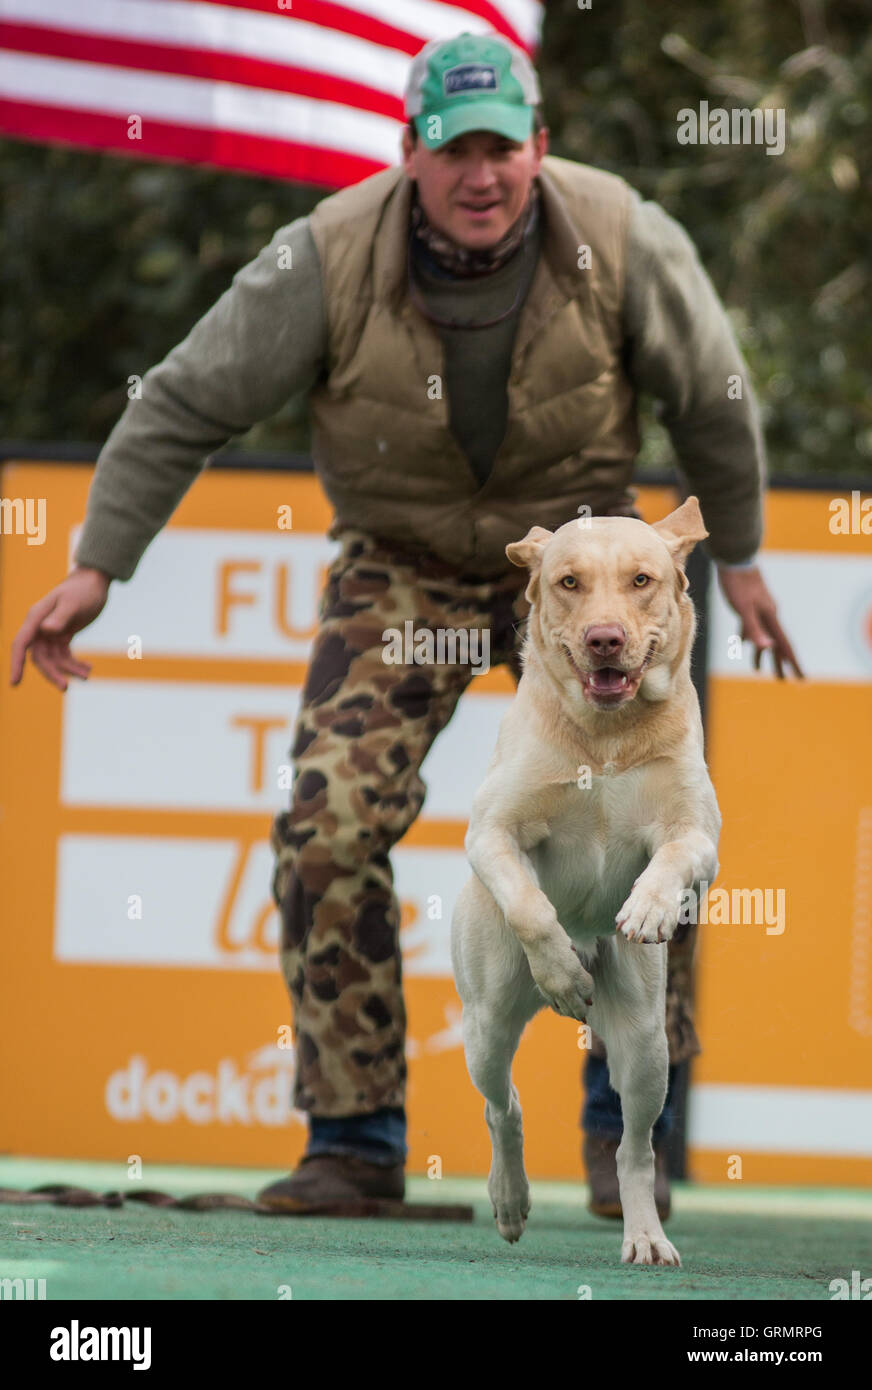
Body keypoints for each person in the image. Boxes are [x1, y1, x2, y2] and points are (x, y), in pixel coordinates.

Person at [10, 31, 803, 1218]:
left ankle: (617, 1130)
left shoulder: (626, 236)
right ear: (408, 156)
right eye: (451, 149)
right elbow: (182, 400)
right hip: (404, 565)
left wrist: (732, 556)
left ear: (538, 149)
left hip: (580, 570)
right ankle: (356, 1139)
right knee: (326, 823)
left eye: (501, 148)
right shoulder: (325, 254)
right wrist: (97, 565)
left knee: (658, 832)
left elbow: (712, 397)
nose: (477, 175)